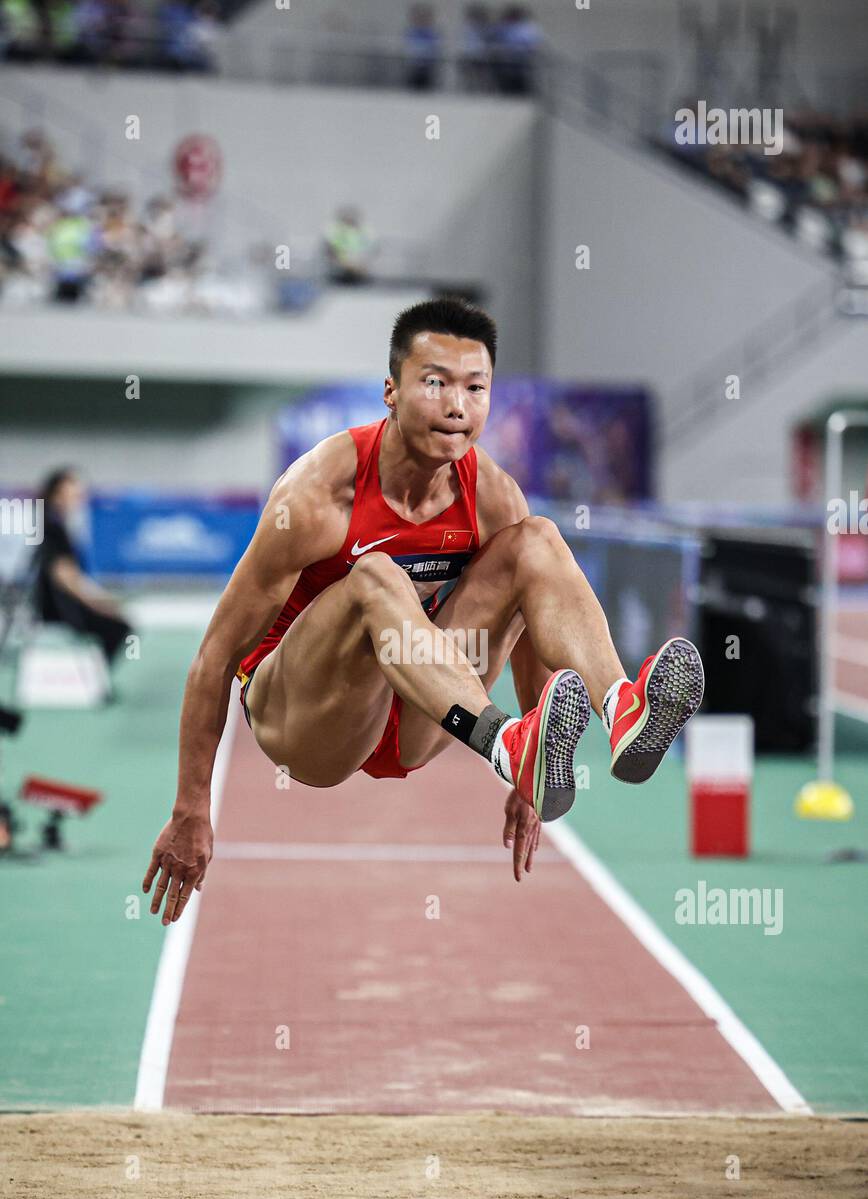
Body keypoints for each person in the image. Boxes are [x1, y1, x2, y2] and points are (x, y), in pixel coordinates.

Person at [143, 297, 704, 925]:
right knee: (375, 577)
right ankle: (503, 742)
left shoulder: (490, 493)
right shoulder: (315, 497)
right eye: (435, 383)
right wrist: (191, 808)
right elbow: (214, 656)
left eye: (476, 387)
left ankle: (619, 709)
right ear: (391, 390)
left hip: (421, 707)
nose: (457, 406)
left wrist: (543, 763)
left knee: (536, 540)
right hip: (305, 718)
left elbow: (526, 629)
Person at [33, 467, 132, 684]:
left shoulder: (57, 522)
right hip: (57, 608)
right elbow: (65, 577)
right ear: (57, 492)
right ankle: (94, 679)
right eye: (73, 488)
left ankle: (95, 677)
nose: (80, 493)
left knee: (119, 624)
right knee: (121, 627)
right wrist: (100, 603)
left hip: (59, 602)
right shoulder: (52, 525)